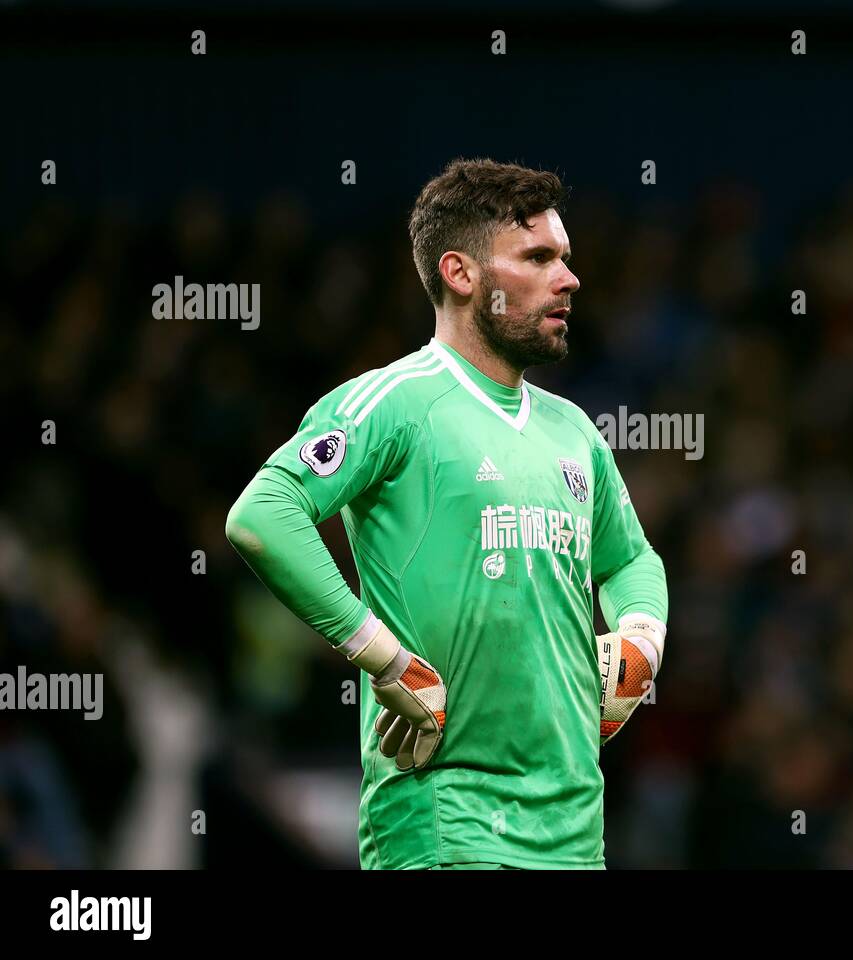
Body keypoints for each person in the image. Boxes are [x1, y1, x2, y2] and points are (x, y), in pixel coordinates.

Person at [225, 157, 668, 870]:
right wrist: (384, 658)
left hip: (575, 826)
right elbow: (264, 513)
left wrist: (641, 643)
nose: (569, 278)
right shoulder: (397, 402)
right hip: (444, 818)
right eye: (539, 257)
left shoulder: (574, 432)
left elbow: (629, 559)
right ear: (462, 275)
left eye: (567, 257)